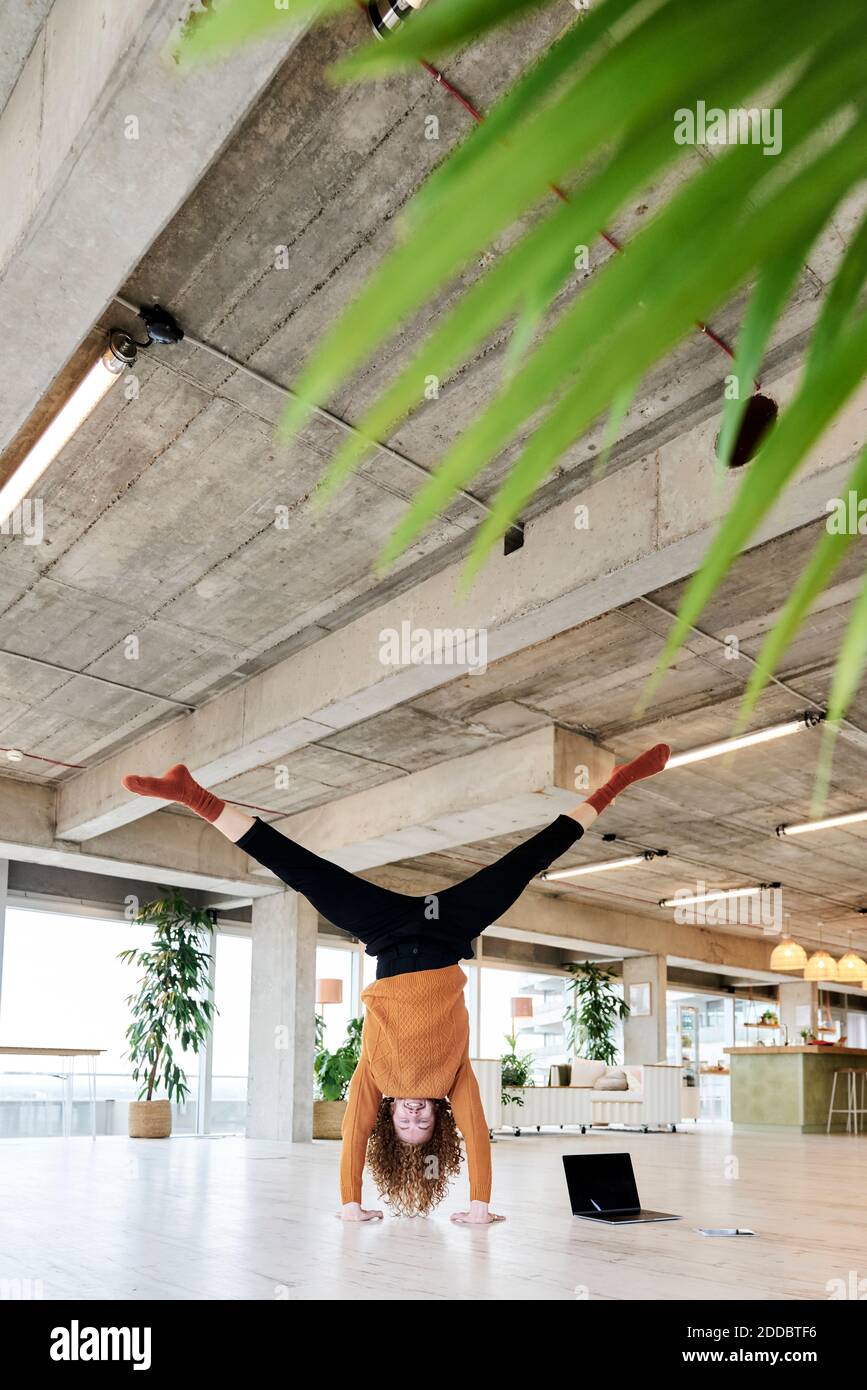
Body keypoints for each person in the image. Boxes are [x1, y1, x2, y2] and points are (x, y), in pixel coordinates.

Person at [122, 742, 670, 1224]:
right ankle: (616, 782)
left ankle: (193, 795)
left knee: (299, 870)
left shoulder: (374, 1082)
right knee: (528, 860)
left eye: (404, 1120)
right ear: (437, 1116)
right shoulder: (452, 1082)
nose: (412, 1114)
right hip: (449, 929)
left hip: (382, 932)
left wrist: (349, 1201)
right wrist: (479, 1202)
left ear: (389, 1119)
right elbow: (477, 1135)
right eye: (421, 1119)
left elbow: (353, 1138)